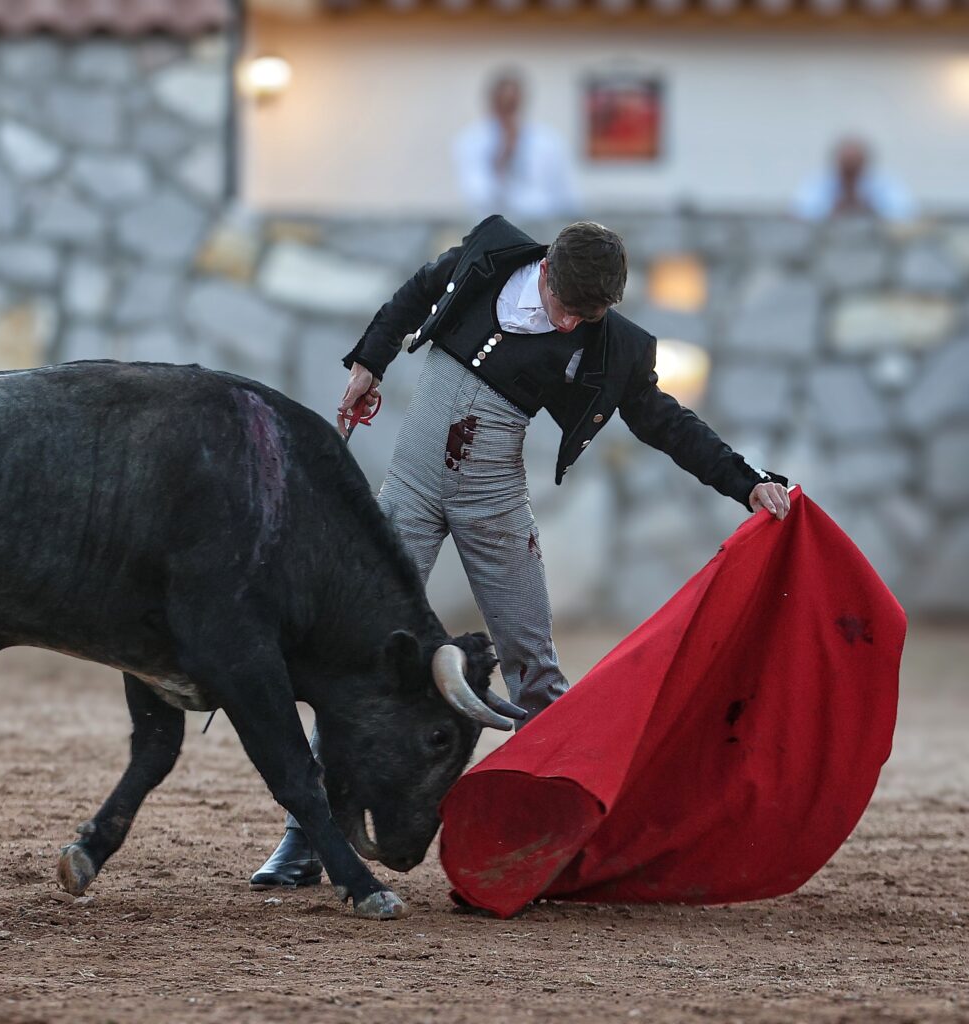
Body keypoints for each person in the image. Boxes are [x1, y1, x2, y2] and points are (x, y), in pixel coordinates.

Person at [250, 215, 792, 890]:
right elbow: (418, 291)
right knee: (356, 660)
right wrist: (370, 360)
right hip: (408, 492)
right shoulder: (488, 258)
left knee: (534, 668)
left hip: (494, 506)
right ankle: (305, 837)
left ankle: (553, 840)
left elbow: (662, 421)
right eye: (567, 308)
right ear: (545, 275)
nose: (571, 326)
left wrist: (746, 482)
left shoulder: (607, 343)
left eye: (588, 315)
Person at [453, 71, 577, 219]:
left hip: (542, 225)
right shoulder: (471, 141)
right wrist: (503, 157)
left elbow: (565, 192)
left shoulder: (547, 140)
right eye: (503, 104)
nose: (508, 111)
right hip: (495, 228)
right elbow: (478, 195)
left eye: (512, 104)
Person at [792, 136, 916, 222]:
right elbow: (801, 212)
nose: (851, 173)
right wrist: (832, 210)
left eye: (855, 167)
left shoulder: (884, 182)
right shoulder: (819, 182)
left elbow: (904, 211)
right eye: (847, 167)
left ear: (864, 164)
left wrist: (870, 209)